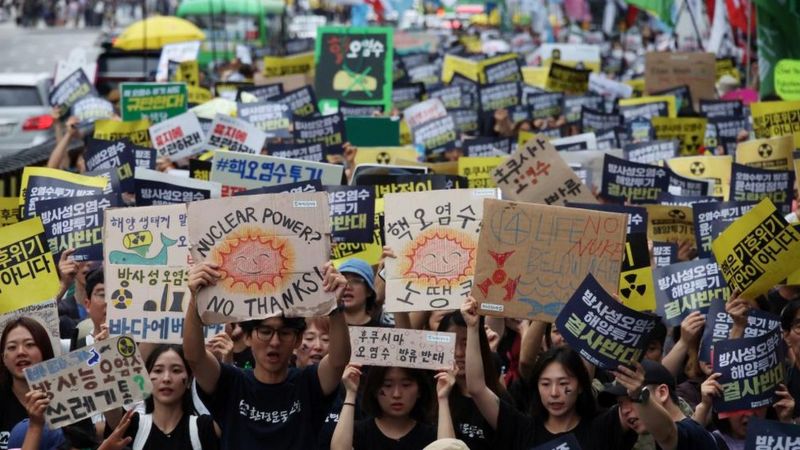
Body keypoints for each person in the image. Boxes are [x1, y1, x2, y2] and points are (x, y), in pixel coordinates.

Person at [183, 261, 350, 450]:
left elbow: (338, 361)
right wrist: (195, 298)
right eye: (265, 331)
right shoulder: (231, 383)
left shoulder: (309, 384)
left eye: (285, 333)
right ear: (247, 337)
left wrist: (336, 308)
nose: (275, 342)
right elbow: (194, 356)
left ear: (297, 340)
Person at [460, 297, 636, 450]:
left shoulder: (602, 427)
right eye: (545, 384)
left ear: (581, 385)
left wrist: (615, 318)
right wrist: (473, 328)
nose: (554, 393)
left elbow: (655, 423)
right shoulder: (521, 428)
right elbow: (476, 388)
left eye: (563, 383)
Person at [104, 344, 219, 450]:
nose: (166, 378)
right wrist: (105, 353)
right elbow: (109, 403)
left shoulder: (204, 428)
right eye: (158, 370)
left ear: (189, 380)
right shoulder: (133, 426)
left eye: (176, 370)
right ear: (147, 379)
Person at [436, 311, 506, 450]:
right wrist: (443, 398)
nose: (459, 352)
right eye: (452, 343)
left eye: (466, 343)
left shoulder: (499, 398)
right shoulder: (433, 393)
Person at [612, 359, 718, 450]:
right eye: (620, 404)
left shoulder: (691, 434)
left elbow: (669, 434)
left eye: (631, 399)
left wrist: (639, 395)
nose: (625, 410)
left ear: (662, 393)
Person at [331, 364, 439, 449]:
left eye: (406, 385)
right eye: (387, 385)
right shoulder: (357, 432)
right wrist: (350, 393)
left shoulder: (431, 436)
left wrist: (443, 398)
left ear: (419, 390)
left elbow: (448, 446)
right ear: (374, 390)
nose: (396, 394)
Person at [0, 318, 55, 450]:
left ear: (44, 350)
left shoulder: (69, 395)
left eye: (29, 344)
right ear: (3, 358)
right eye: (12, 347)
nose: (21, 352)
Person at [338, 258, 381, 327]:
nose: (347, 287)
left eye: (355, 281)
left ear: (369, 291)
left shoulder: (384, 332)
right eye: (342, 281)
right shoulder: (324, 330)